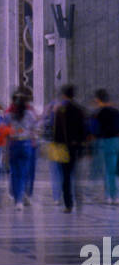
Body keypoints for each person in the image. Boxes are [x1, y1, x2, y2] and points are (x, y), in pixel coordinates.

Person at [52, 84, 87, 213]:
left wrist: (56, 145)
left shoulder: (61, 110)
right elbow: (84, 129)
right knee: (76, 175)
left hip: (63, 147)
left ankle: (68, 204)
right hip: (75, 146)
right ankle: (79, 201)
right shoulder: (79, 110)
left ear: (64, 95)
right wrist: (82, 146)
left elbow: (57, 131)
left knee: (65, 176)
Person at [5, 93, 38, 209]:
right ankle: (22, 196)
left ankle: (17, 198)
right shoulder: (29, 114)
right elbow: (35, 127)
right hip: (26, 143)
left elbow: (5, 130)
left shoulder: (9, 115)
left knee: (14, 172)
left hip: (14, 143)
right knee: (24, 172)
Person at [91, 89, 119, 204]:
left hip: (105, 142)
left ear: (98, 99)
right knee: (115, 170)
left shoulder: (98, 113)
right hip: (116, 141)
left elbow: (94, 129)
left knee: (108, 170)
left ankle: (110, 195)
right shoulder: (116, 112)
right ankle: (115, 196)